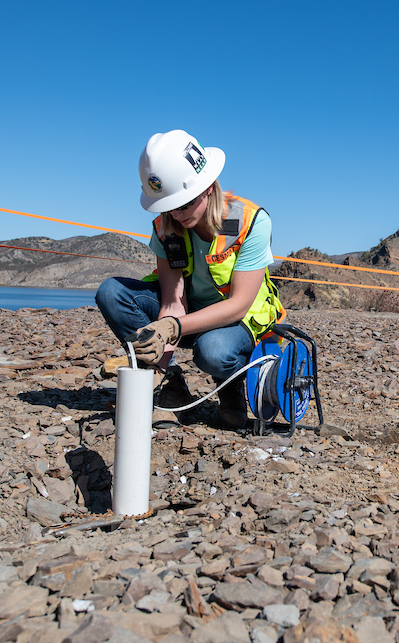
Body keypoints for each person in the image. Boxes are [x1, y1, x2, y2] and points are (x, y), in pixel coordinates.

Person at [95, 130, 286, 427]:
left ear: (208, 187)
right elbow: (172, 303)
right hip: (189, 313)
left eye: (184, 203)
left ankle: (229, 385)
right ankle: (170, 385)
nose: (177, 215)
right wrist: (158, 362)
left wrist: (172, 327)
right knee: (112, 292)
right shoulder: (166, 225)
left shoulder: (251, 222)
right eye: (168, 206)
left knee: (213, 352)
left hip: (239, 317)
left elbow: (238, 305)